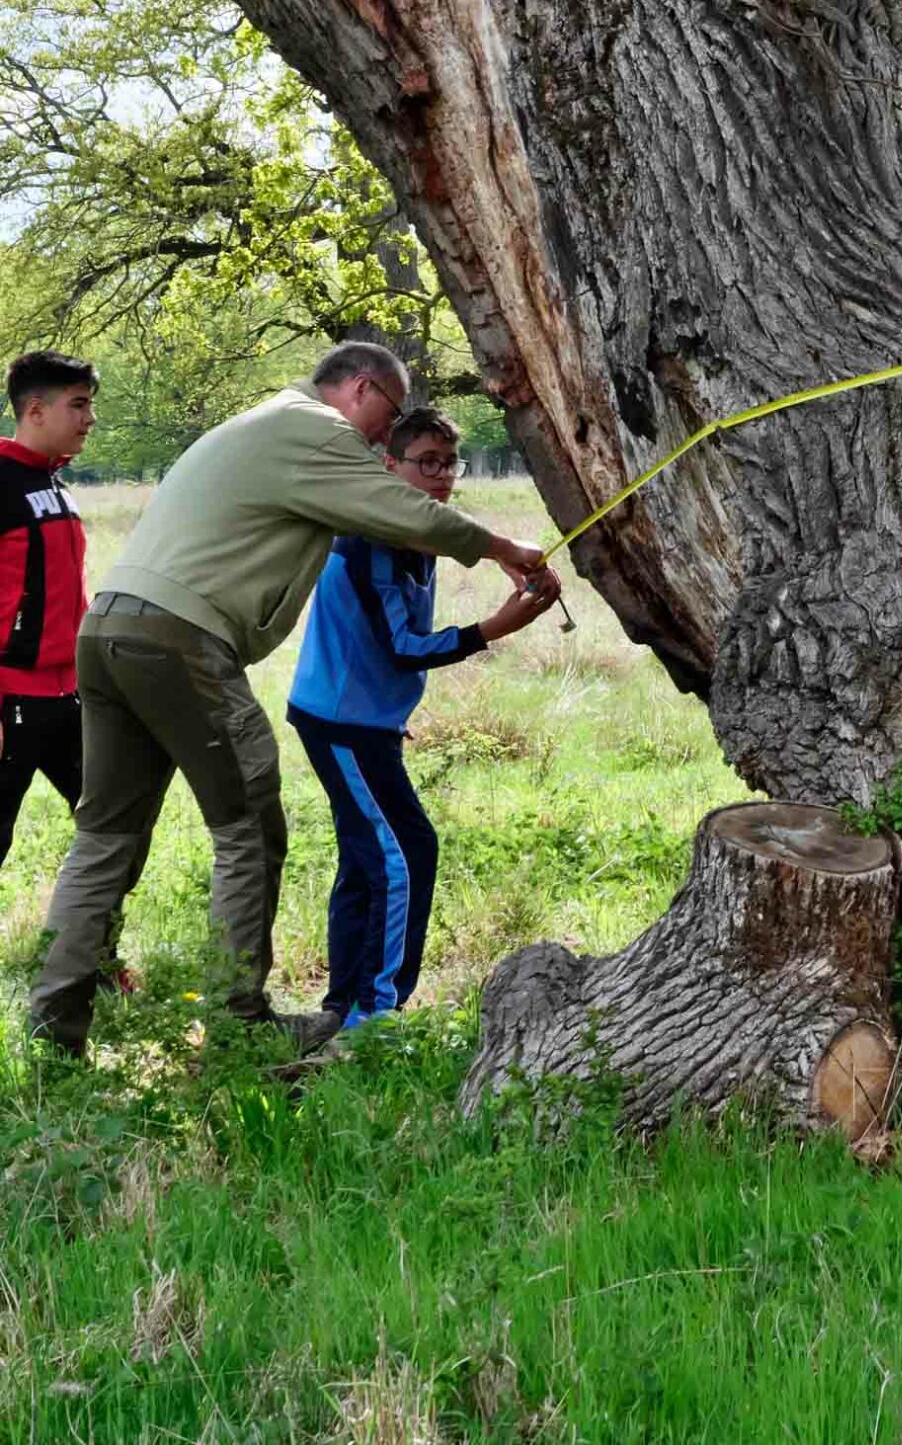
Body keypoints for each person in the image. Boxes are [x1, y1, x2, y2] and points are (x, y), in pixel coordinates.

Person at [27, 343, 557, 1057]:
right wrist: (501, 548)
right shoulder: (317, 428)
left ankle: (53, 1036)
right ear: (361, 389)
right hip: (179, 639)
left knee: (104, 837)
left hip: (109, 630)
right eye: (389, 414)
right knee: (248, 828)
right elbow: (403, 513)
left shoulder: (264, 422)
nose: (385, 433)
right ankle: (237, 1027)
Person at [289, 408, 558, 1033]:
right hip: (342, 721)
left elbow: (400, 624)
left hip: (364, 722)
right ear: (389, 466)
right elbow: (403, 647)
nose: (439, 477)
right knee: (404, 852)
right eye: (425, 463)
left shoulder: (419, 538)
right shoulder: (370, 542)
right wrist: (494, 628)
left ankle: (343, 1004)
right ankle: (373, 1015)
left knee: (365, 857)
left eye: (448, 464)